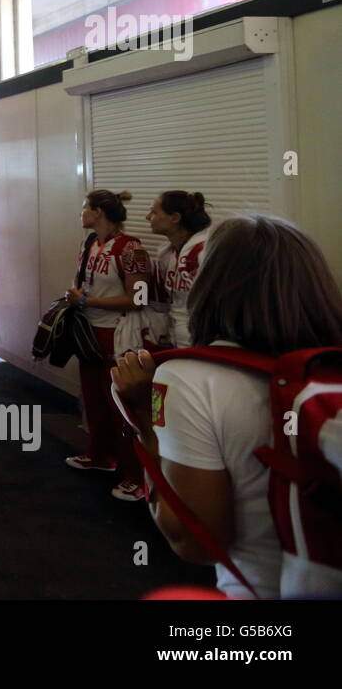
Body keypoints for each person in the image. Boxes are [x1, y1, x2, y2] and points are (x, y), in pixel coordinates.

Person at [112, 215, 342, 598]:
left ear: (214, 286)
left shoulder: (188, 377)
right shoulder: (327, 371)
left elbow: (194, 541)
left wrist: (145, 419)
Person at [64, 190, 150, 501]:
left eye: (85, 208)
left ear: (99, 212)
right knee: (93, 399)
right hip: (89, 330)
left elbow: (138, 299)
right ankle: (100, 455)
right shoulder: (90, 243)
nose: (82, 213)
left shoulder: (131, 249)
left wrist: (89, 300)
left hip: (117, 333)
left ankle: (136, 475)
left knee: (121, 404)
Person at [146, 191, 212, 347]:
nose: (148, 217)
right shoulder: (167, 253)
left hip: (201, 340)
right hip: (176, 336)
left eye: (154, 212)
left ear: (175, 218)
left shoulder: (203, 253)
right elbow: (162, 300)